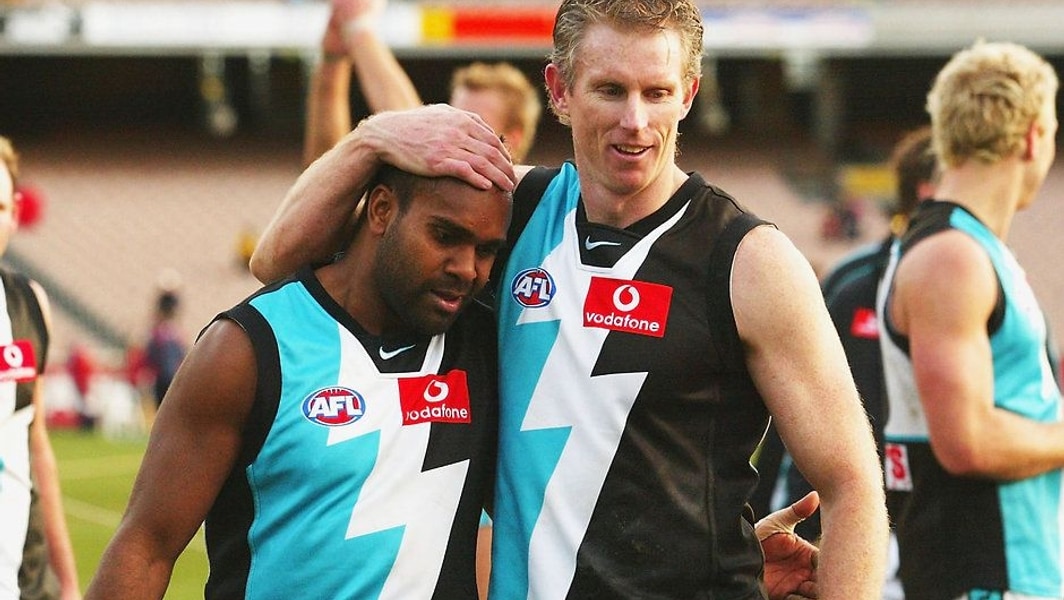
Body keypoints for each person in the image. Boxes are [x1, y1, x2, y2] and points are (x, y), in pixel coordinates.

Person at [251, 1, 889, 597]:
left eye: (656, 93)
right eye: (610, 90)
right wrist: (370, 140)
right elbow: (279, 264)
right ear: (559, 90)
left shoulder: (751, 262)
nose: (634, 120)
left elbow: (853, 486)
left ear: (689, 95)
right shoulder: (512, 215)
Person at [85, 166, 512, 599]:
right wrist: (370, 140)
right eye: (445, 236)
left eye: (486, 250)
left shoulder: (490, 344)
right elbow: (147, 547)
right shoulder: (249, 347)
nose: (467, 269)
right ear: (381, 210)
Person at [877, 40, 1063, 600]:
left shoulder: (963, 247)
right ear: (1032, 136)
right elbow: (967, 442)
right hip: (986, 574)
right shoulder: (951, 257)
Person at [757, 126, 938, 598]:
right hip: (832, 532)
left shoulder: (996, 287)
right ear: (929, 191)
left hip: (939, 536)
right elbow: (785, 409)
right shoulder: (851, 283)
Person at [303, 0, 542, 168]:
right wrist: (333, 65)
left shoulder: (516, 205)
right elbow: (323, 186)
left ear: (512, 140)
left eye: (474, 121)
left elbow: (410, 126)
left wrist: (359, 29)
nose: (454, 128)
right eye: (453, 115)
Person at [0, 136, 81, 600]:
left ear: (13, 213)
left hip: (28, 584)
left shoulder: (30, 305)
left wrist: (67, 582)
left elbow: (37, 443)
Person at [141, 289, 188, 408]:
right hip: (170, 379)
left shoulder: (160, 333)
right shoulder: (176, 334)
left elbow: (149, 356)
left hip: (163, 378)